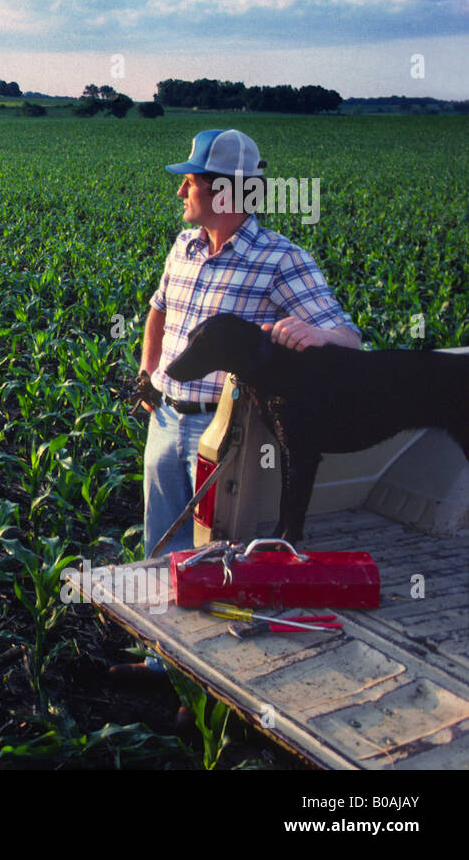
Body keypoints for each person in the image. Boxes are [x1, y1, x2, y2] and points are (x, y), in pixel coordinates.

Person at [116, 128, 362, 679]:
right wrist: (148, 374)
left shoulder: (282, 260)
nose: (180, 192)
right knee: (164, 548)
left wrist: (310, 332)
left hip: (226, 440)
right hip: (166, 420)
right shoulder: (184, 247)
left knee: (221, 557)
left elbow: (347, 336)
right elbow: (158, 309)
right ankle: (164, 663)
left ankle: (209, 678)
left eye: (189, 182)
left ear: (223, 191)